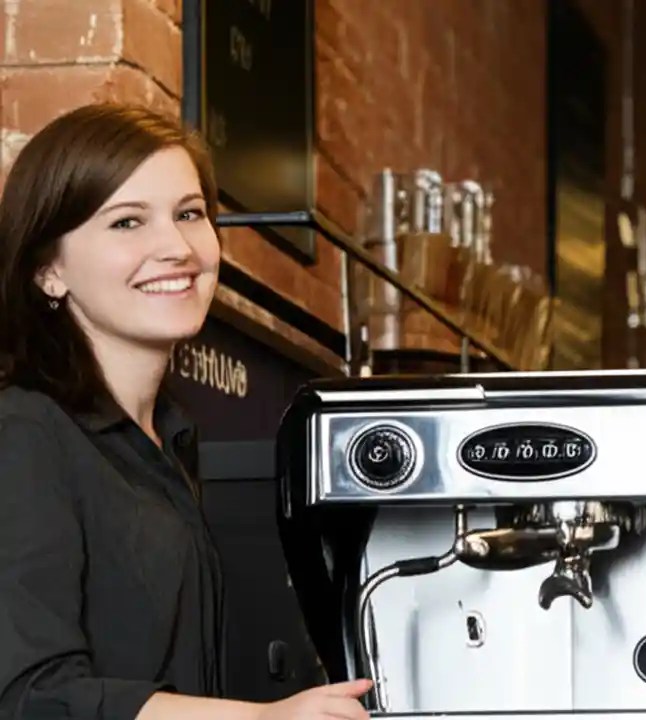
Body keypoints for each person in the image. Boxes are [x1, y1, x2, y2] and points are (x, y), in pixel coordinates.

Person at [0, 104, 372, 720]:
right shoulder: (23, 433)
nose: (175, 247)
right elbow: (28, 698)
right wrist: (261, 719)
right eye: (126, 222)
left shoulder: (166, 442)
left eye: (189, 214)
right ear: (49, 269)